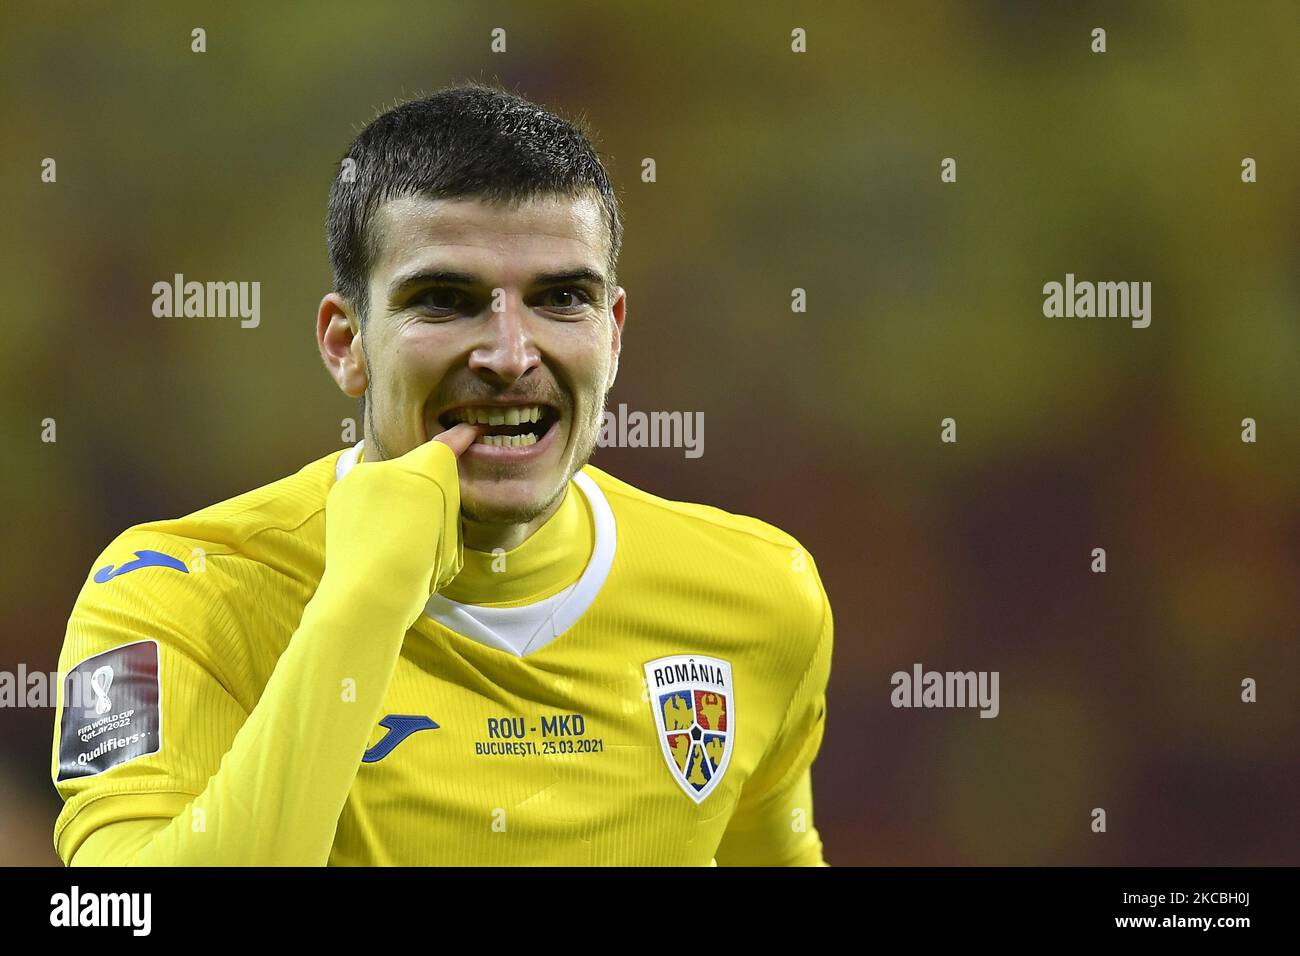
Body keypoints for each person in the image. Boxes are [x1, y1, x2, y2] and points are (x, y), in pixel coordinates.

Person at [51, 83, 833, 866]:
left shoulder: (764, 595)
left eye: (561, 298)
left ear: (614, 334)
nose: (510, 356)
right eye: (445, 301)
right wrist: (363, 600)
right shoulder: (165, 593)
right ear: (346, 343)